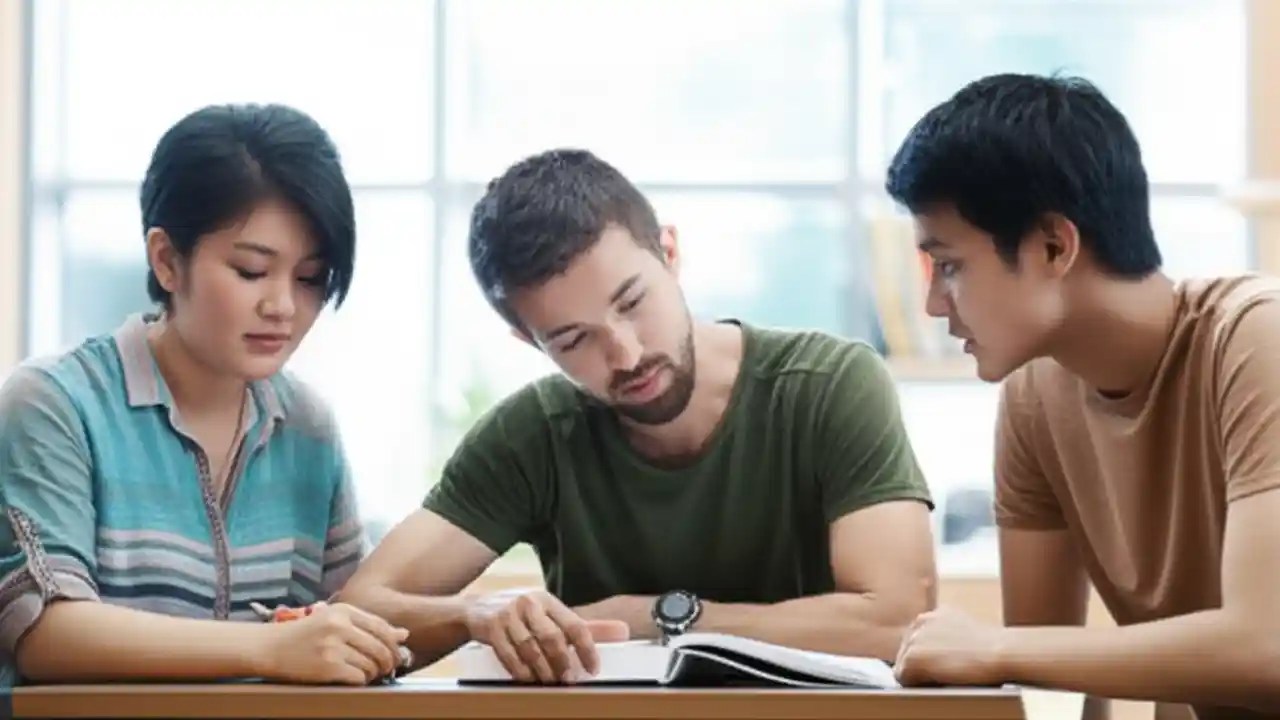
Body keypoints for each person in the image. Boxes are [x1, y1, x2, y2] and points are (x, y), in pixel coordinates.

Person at [337, 148, 937, 684]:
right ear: (529, 341)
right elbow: (360, 609)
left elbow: (896, 619)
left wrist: (656, 617)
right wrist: (478, 613)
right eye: (573, 339)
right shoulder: (534, 434)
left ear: (669, 254)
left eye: (632, 302)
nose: (625, 354)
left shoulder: (828, 386)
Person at [885, 73, 1280, 719]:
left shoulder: (1257, 338)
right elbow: (1048, 674)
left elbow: (1268, 646)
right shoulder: (1034, 398)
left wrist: (993, 647)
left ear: (1052, 246)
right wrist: (1003, 652)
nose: (934, 305)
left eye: (949, 265)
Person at [0, 103, 408, 687]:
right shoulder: (55, 403)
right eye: (250, 271)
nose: (283, 307)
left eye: (310, 278)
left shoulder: (308, 426)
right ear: (167, 260)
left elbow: (351, 616)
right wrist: (270, 649)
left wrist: (474, 615)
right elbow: (45, 633)